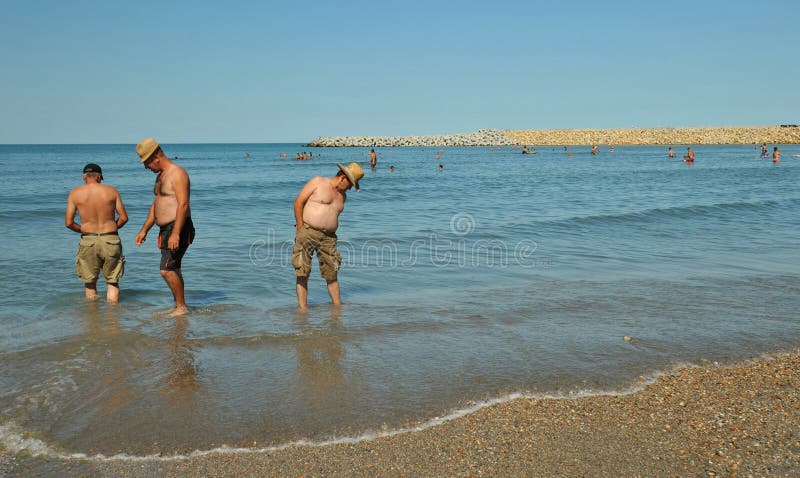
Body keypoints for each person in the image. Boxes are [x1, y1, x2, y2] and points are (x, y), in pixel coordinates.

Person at [134, 138, 195, 316]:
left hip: (179, 227)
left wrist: (176, 232)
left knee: (166, 269)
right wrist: (144, 229)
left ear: (155, 157)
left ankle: (181, 307)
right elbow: (156, 206)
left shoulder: (178, 173)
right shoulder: (160, 177)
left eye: (146, 162)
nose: (146, 167)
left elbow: (183, 204)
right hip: (166, 229)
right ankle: (179, 306)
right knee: (173, 268)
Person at [292, 162, 364, 310]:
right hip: (307, 232)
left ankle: (337, 311)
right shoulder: (318, 182)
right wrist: (300, 228)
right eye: (350, 185)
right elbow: (298, 202)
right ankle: (303, 311)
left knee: (332, 274)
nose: (350, 188)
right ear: (343, 178)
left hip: (329, 238)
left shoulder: (342, 196)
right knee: (302, 272)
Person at [65, 163, 128, 302]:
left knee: (90, 281)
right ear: (99, 176)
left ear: (84, 177)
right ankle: (113, 317)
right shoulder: (112, 191)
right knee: (112, 281)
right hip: (110, 239)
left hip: (88, 239)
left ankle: (93, 318)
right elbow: (124, 218)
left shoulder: (75, 193)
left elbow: (69, 222)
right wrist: (112, 228)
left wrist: (82, 229)